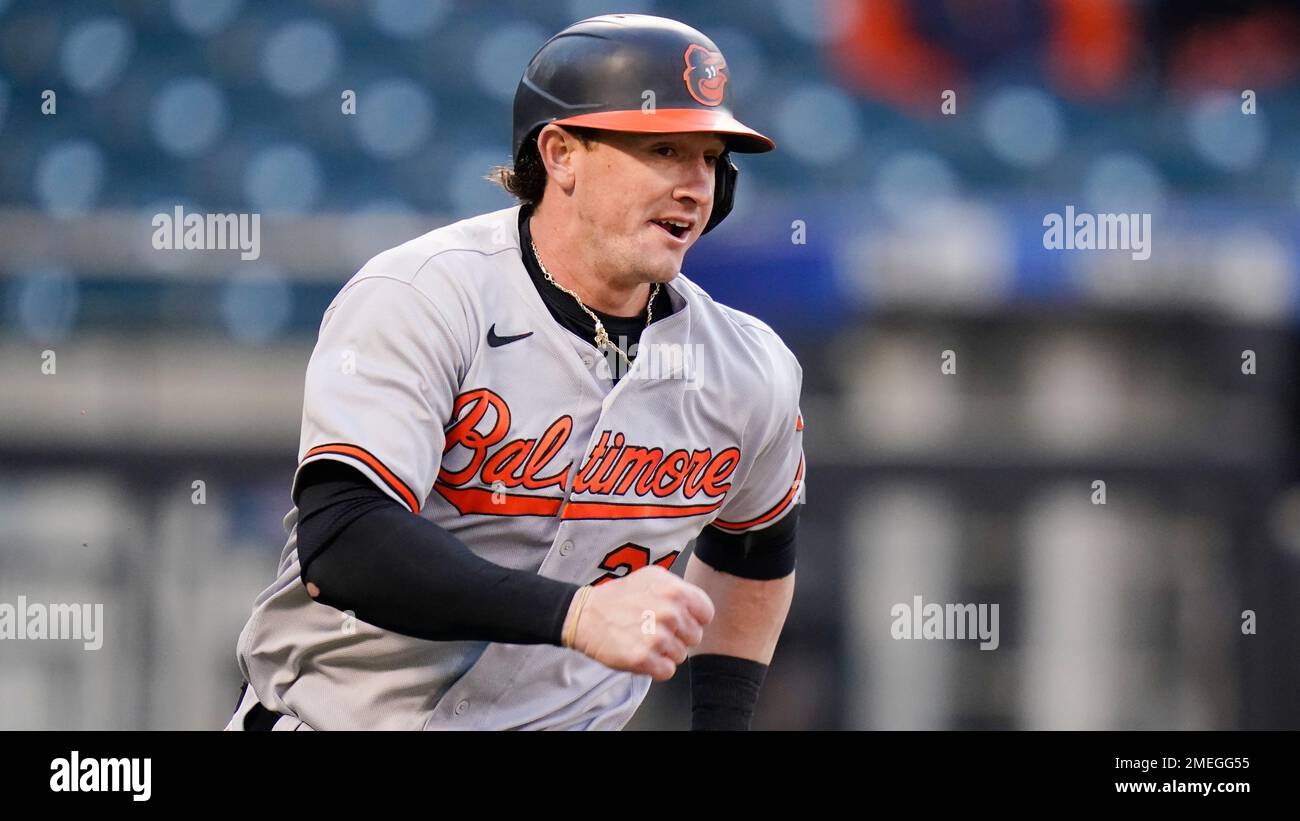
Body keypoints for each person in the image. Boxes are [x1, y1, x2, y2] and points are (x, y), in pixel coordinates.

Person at [226, 13, 804, 731]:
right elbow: (346, 544)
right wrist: (577, 613)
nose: (697, 184)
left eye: (712, 159)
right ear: (561, 154)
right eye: (664, 149)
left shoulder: (748, 366)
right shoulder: (424, 295)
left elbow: (754, 550)